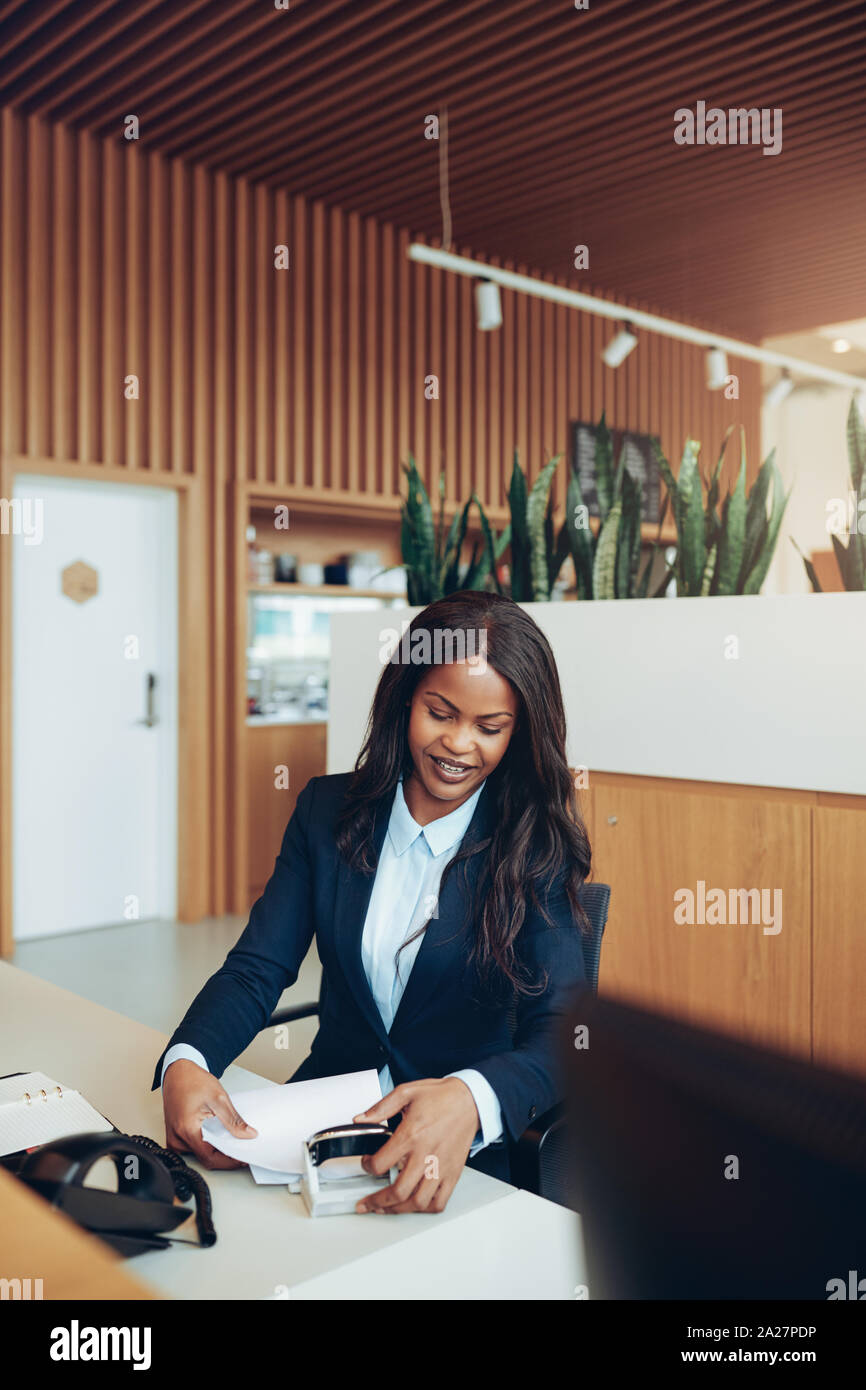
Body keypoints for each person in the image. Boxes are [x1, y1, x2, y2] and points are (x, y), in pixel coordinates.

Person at [153, 590, 591, 1213]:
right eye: (441, 712)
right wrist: (188, 1060)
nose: (460, 744)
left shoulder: (535, 843)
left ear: (517, 734)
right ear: (405, 697)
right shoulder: (326, 812)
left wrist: (472, 1097)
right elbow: (257, 968)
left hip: (463, 1151)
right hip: (324, 1126)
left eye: (490, 728)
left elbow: (568, 1031)